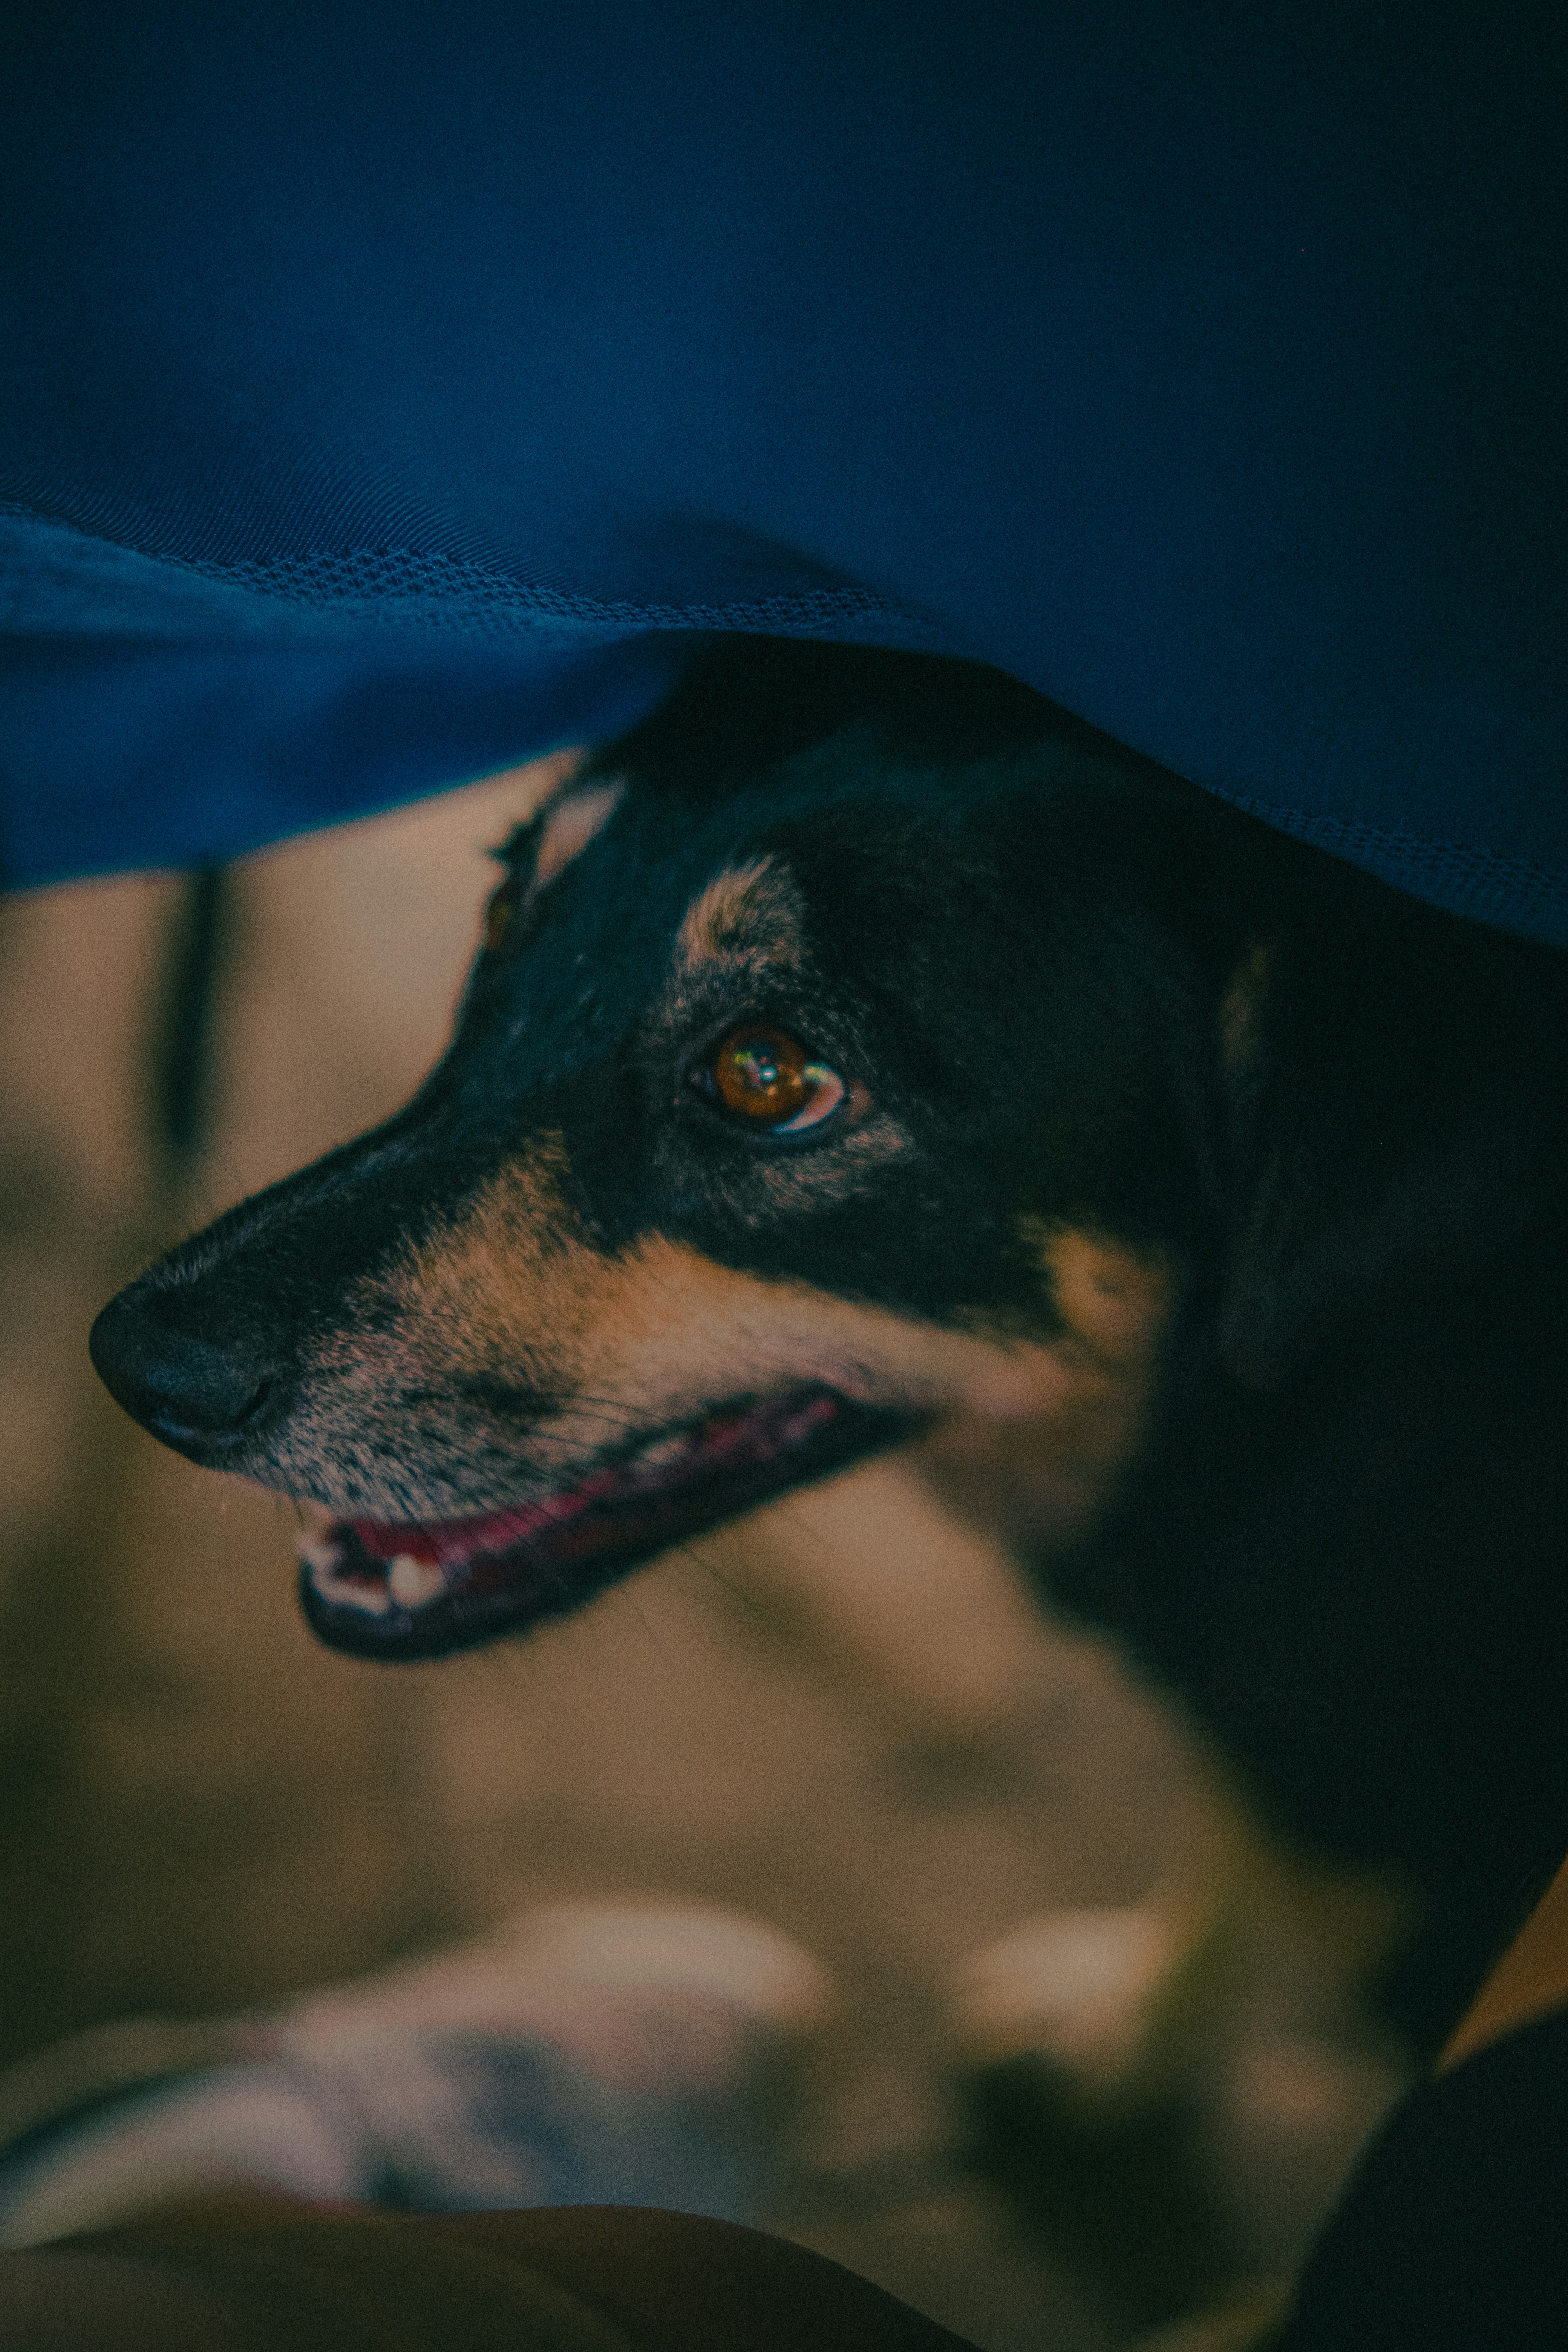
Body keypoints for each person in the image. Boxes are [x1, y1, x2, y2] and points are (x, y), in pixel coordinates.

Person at [2, 6, 1564, 2344]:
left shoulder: (1455, 1703)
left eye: (765, 1091)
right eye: (534, 914)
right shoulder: (1247, 1447)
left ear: (1294, 1193)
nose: (211, 1329)